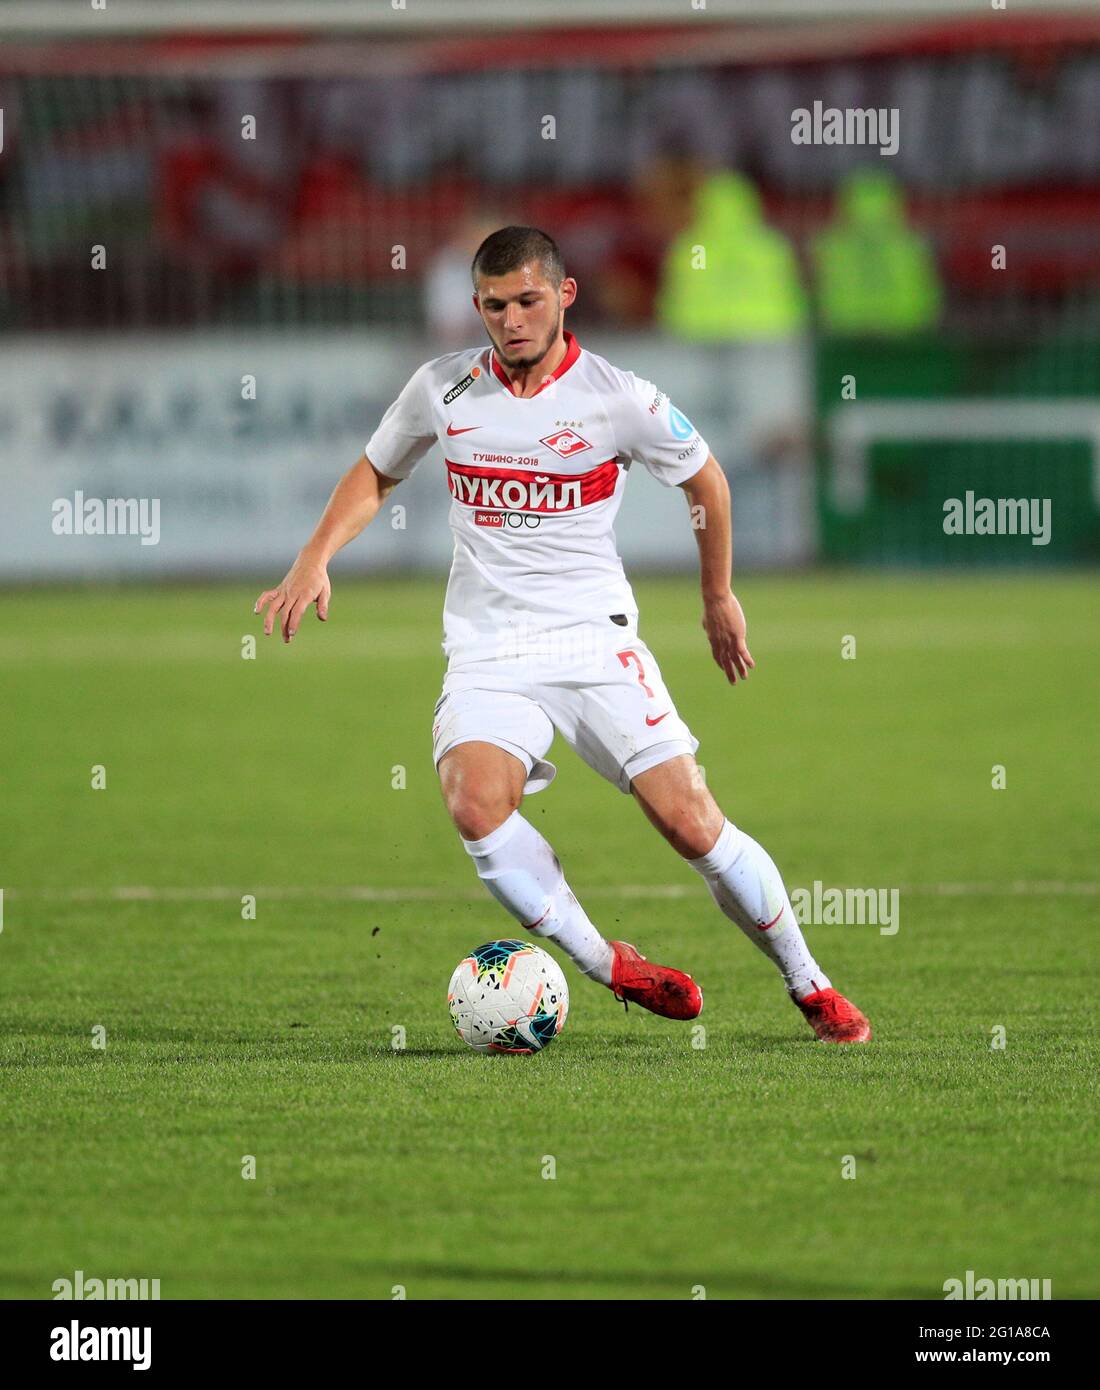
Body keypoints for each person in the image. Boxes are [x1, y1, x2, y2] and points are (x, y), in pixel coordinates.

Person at [254, 226, 871, 1043]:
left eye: (528, 301)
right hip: (488, 650)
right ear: (476, 306)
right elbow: (377, 470)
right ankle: (605, 962)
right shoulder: (442, 389)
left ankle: (808, 981)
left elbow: (706, 479)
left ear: (564, 296)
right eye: (495, 305)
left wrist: (717, 596)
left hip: (592, 641)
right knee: (474, 804)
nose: (512, 320)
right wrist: (314, 557)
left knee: (690, 822)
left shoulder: (618, 397)